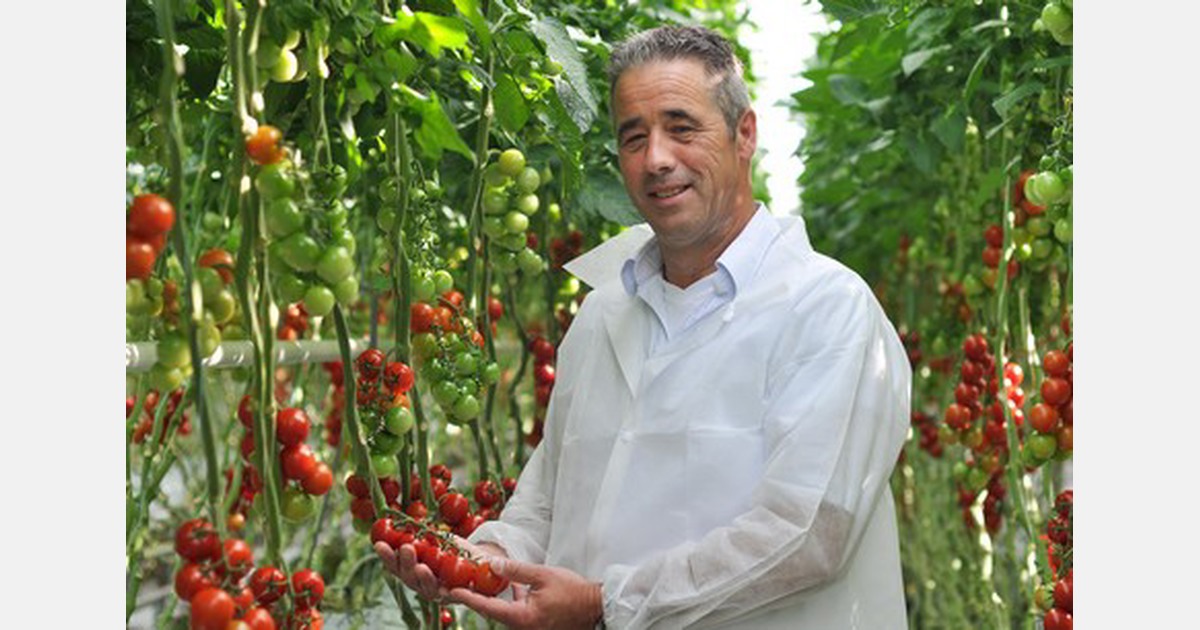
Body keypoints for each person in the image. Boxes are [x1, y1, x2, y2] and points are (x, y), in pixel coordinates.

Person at [376, 24, 912, 629]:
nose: (657, 159)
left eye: (682, 128)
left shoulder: (828, 309)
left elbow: (809, 532)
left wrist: (606, 605)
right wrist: (493, 557)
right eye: (634, 137)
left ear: (744, 134)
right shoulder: (604, 312)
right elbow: (551, 494)